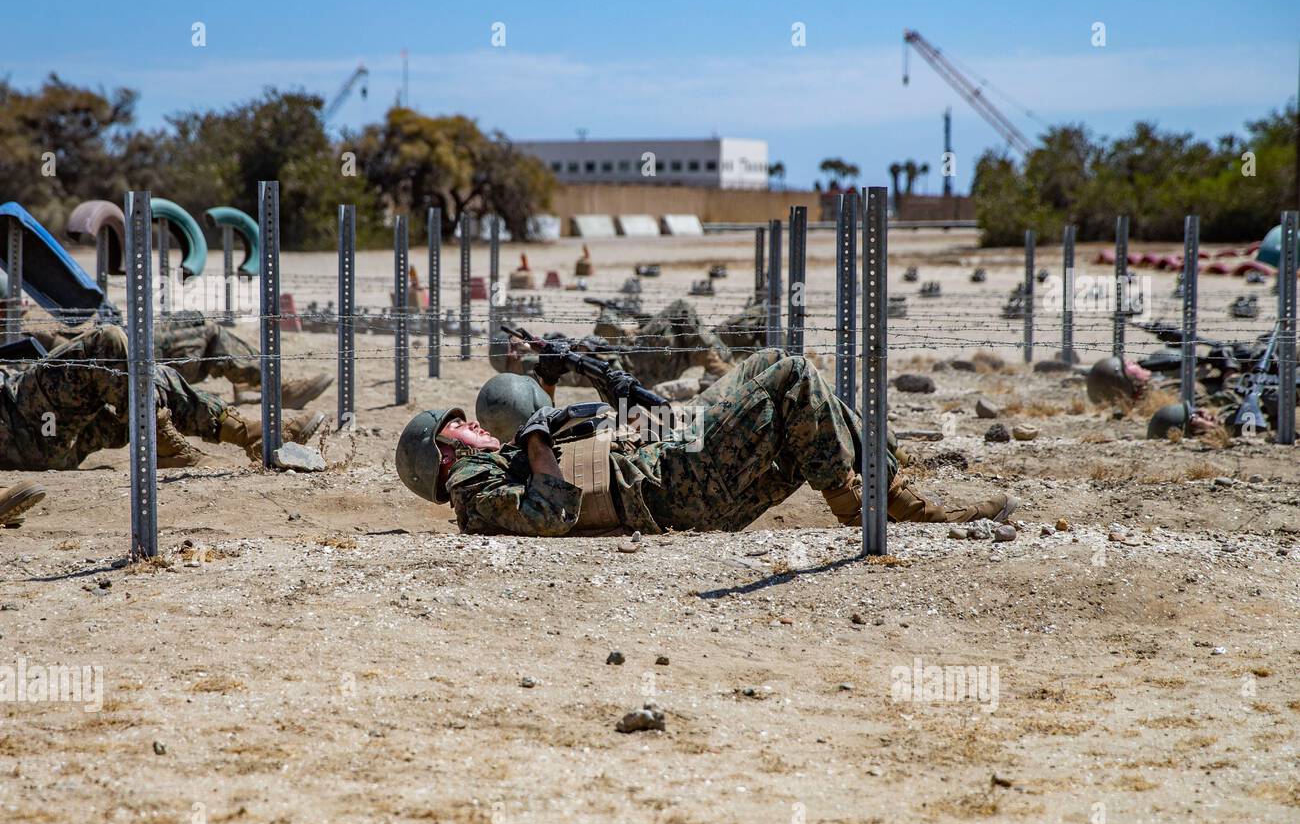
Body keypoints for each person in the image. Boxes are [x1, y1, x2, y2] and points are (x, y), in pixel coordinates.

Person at [397, 348, 1018, 536]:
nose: (470, 421)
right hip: (674, 488)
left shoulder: (496, 465)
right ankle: (870, 508)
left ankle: (895, 494)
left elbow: (559, 455)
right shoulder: (474, 491)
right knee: (790, 376)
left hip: (667, 457)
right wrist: (537, 442)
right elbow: (549, 513)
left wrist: (582, 402)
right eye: (457, 424)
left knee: (784, 376)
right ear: (442, 456)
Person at [2, 324, 324, 471]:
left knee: (146, 374)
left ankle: (250, 434)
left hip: (51, 437)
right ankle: (161, 440)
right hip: (21, 420)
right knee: (108, 342)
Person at [24, 311, 332, 410]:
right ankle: (277, 388)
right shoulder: (20, 328)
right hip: (107, 363)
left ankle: (268, 384)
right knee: (207, 335)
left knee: (196, 322)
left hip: (98, 348)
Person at [492, 299, 733, 392]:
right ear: (510, 353)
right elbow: (574, 369)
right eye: (514, 342)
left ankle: (720, 367)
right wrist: (582, 349)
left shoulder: (532, 368)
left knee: (683, 335)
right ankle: (722, 366)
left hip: (634, 366)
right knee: (681, 310)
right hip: (630, 365)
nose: (518, 341)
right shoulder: (537, 367)